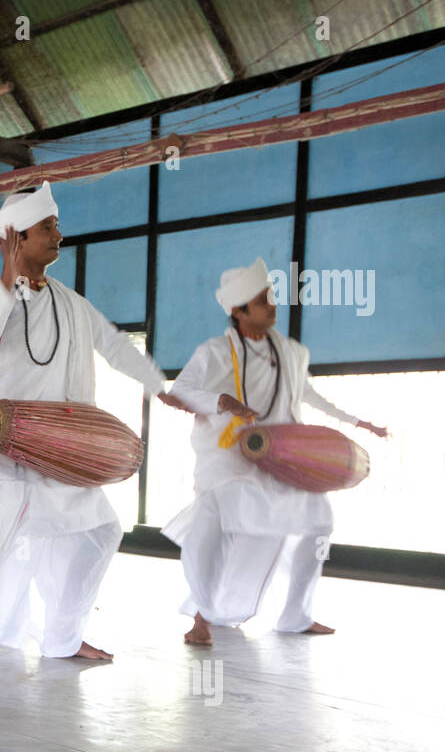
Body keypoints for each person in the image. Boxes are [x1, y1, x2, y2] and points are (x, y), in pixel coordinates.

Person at [0, 182, 187, 673]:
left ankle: (64, 638)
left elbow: (114, 346)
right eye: (48, 226)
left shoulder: (72, 303)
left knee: (102, 531)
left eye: (57, 224)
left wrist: (161, 386)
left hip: (57, 446)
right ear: (17, 240)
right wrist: (5, 280)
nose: (59, 235)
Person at [164, 258, 387, 645]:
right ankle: (202, 615)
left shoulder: (292, 352)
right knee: (213, 537)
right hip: (229, 460)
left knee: (319, 524)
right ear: (238, 311)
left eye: (272, 297)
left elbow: (309, 393)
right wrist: (222, 402)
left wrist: (356, 421)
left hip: (283, 457)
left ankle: (296, 615)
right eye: (264, 300)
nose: (273, 306)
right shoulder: (213, 353)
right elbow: (177, 393)